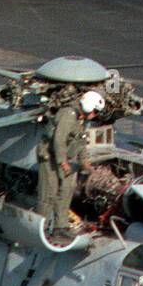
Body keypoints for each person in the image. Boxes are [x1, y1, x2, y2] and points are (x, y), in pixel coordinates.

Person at [37, 90, 104, 238]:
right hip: (50, 157)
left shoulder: (81, 120)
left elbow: (80, 141)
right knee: (49, 192)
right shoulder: (69, 115)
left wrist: (84, 161)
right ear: (88, 106)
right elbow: (59, 140)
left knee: (67, 190)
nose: (94, 115)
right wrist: (63, 162)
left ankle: (60, 227)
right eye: (94, 111)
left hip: (64, 158)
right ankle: (42, 228)